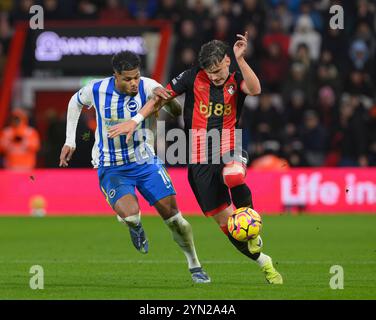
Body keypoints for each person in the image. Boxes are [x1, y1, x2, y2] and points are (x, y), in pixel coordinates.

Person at [109, 34, 283, 284]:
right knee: (230, 228)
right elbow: (160, 98)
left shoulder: (236, 77)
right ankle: (264, 262)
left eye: (216, 70)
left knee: (233, 175)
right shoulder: (191, 77)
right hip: (199, 158)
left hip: (228, 144)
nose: (213, 76)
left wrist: (241, 59)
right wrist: (134, 121)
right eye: (208, 72)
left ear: (226, 61)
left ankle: (252, 224)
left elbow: (255, 89)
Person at [59, 51, 210, 283]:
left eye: (136, 77)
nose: (133, 83)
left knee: (176, 220)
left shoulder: (148, 86)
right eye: (127, 79)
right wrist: (70, 140)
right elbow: (74, 102)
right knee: (131, 217)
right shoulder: (97, 90)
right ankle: (135, 226)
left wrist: (168, 101)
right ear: (115, 76)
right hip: (112, 166)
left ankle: (195, 264)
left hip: (144, 162)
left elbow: (176, 112)